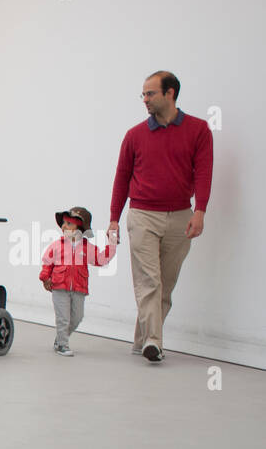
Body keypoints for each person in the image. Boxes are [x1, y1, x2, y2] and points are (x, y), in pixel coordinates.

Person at [107, 70, 213, 364]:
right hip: (142, 215)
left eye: (150, 93)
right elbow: (122, 177)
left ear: (170, 93)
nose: (145, 99)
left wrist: (200, 211)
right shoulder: (134, 135)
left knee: (165, 285)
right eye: (143, 94)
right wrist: (114, 218)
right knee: (149, 282)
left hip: (180, 216)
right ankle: (154, 341)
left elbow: (204, 172)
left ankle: (141, 340)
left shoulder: (199, 130)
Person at [39, 206, 116, 356]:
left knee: (77, 317)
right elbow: (47, 262)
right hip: (59, 286)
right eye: (63, 223)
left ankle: (60, 338)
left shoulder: (88, 248)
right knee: (63, 318)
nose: (63, 227)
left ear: (79, 227)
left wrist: (112, 241)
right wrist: (45, 278)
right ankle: (62, 345)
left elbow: (102, 259)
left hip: (79, 287)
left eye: (69, 224)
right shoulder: (57, 245)